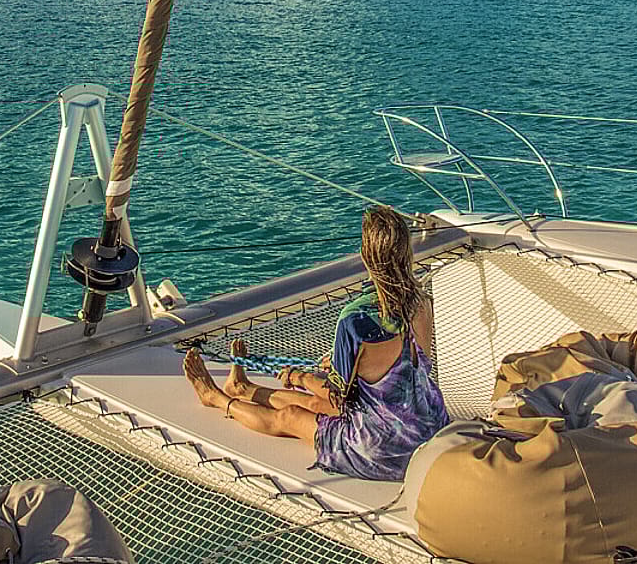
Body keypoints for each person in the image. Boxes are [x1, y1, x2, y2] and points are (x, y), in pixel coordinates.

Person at [182, 204, 450, 481]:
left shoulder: (356, 319)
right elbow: (414, 369)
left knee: (289, 416)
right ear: (407, 251)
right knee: (311, 405)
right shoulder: (421, 303)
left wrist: (301, 376)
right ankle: (242, 387)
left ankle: (214, 397)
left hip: (386, 448)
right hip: (429, 427)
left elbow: (337, 397)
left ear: (365, 256)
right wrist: (331, 371)